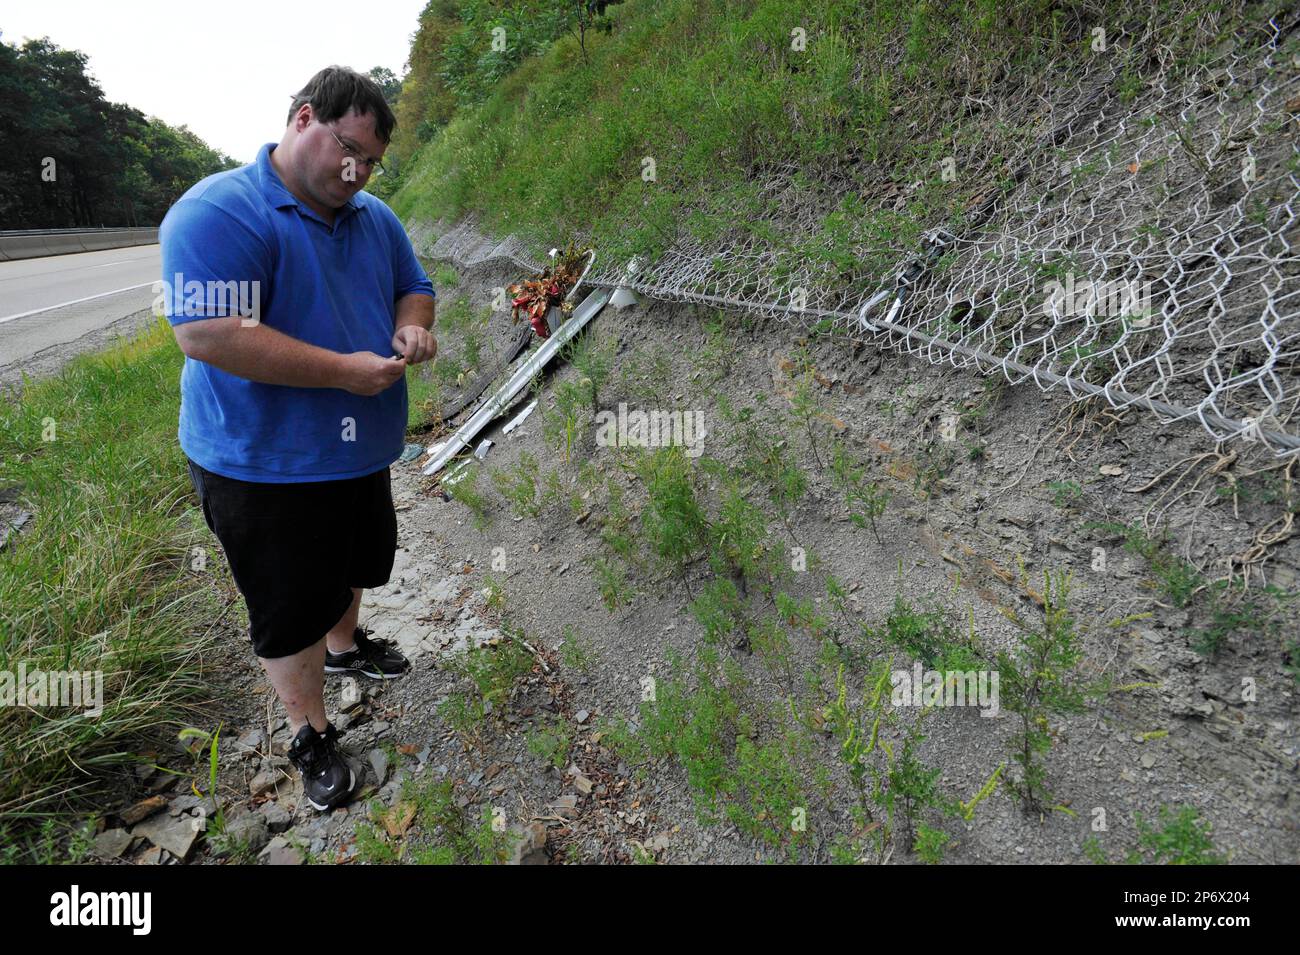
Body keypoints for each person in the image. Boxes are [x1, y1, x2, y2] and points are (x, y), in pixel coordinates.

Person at [159, 66, 437, 811]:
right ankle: (310, 732)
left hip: (358, 451)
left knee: (353, 563)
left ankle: (345, 649)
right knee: (288, 604)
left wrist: (414, 324)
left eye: (372, 161)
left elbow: (417, 284)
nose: (358, 171)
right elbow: (211, 334)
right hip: (260, 463)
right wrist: (343, 373)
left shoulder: (374, 216)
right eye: (348, 150)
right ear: (304, 118)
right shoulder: (220, 213)